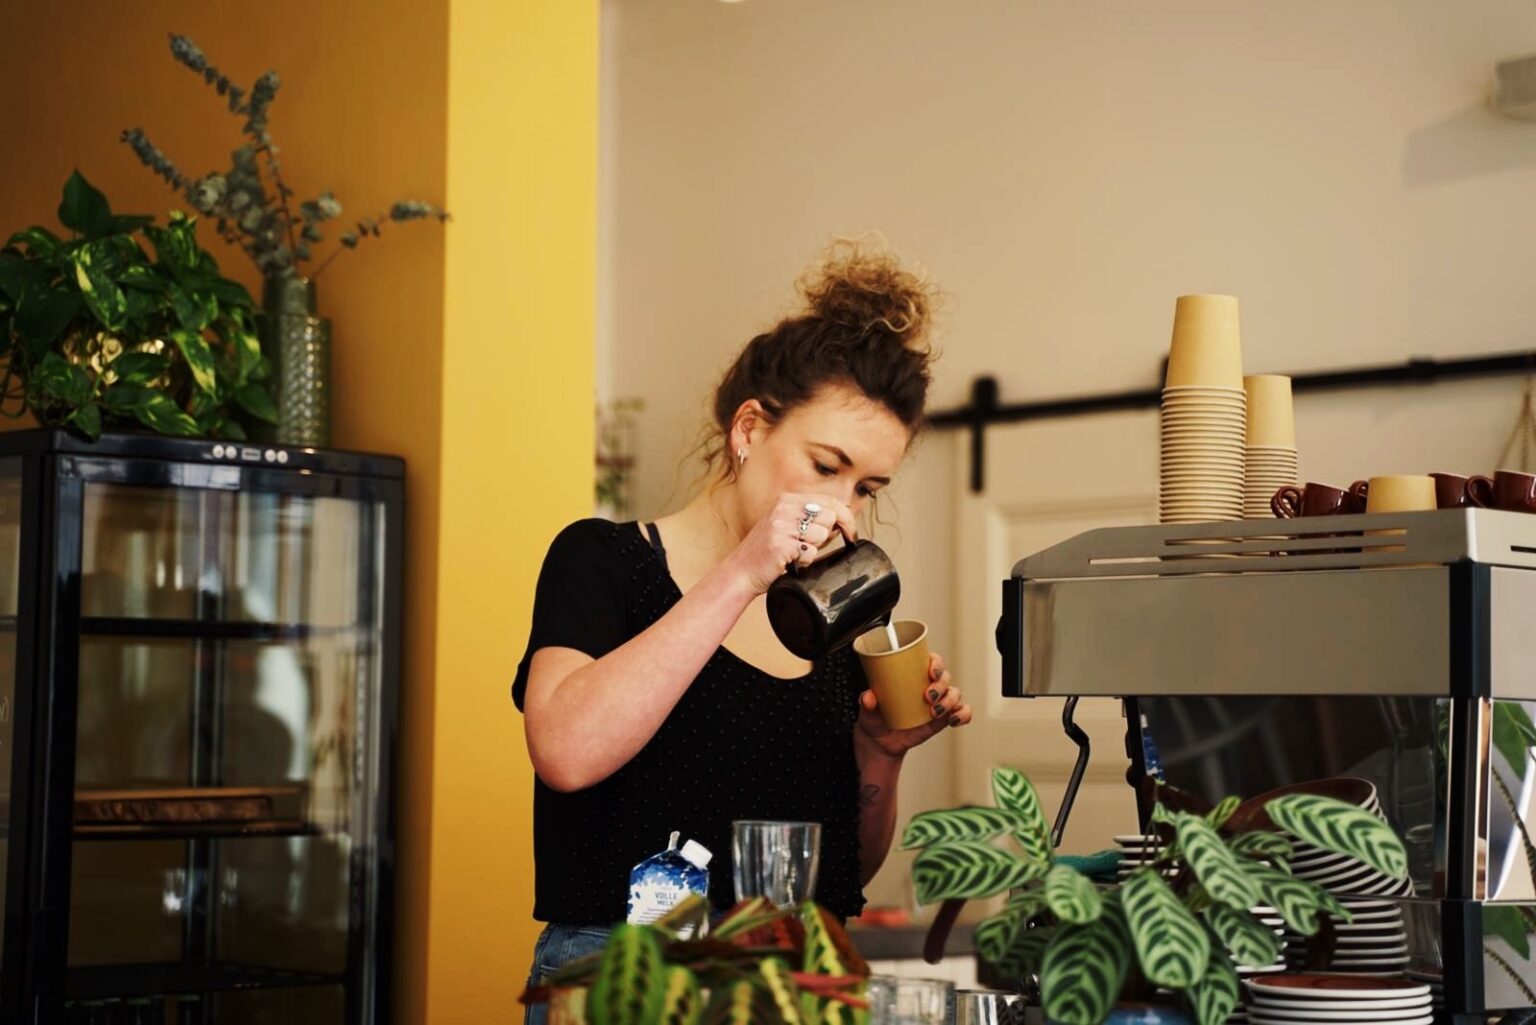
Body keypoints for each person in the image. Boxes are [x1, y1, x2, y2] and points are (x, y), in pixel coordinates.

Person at [511, 240, 972, 1021]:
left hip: (795, 988)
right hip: (625, 984)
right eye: (826, 465)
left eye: (866, 486)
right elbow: (564, 751)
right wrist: (739, 575)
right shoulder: (601, 561)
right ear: (750, 429)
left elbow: (843, 871)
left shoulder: (840, 615)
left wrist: (880, 755)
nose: (845, 509)